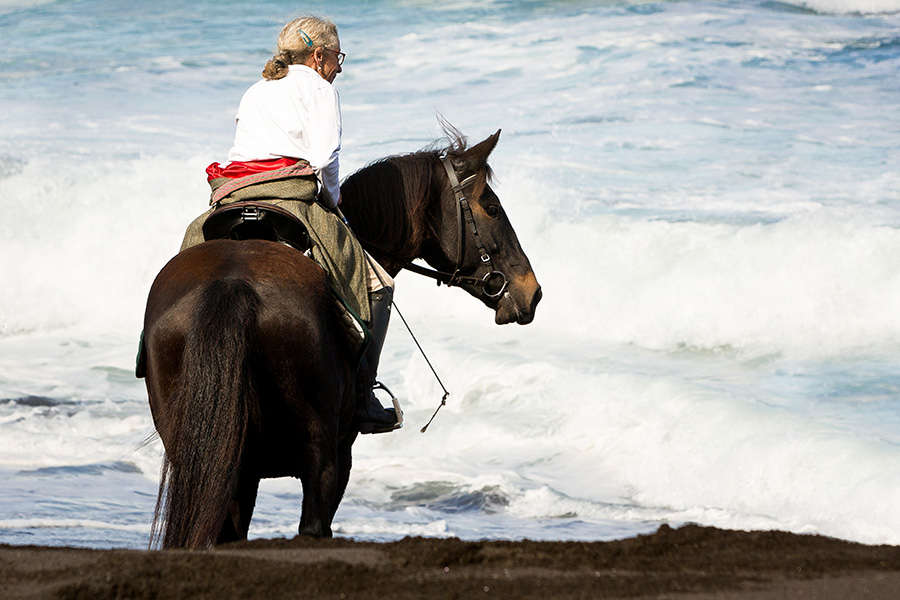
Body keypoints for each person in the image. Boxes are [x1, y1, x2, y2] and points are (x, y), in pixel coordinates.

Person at [179, 15, 399, 434]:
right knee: (378, 285)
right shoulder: (319, 88)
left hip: (232, 194)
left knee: (189, 255)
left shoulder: (256, 90)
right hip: (290, 197)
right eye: (338, 58)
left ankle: (150, 355)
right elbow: (324, 157)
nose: (339, 67)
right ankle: (362, 396)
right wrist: (334, 202)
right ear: (319, 56)